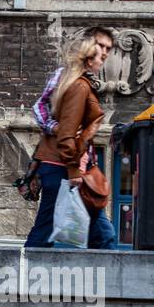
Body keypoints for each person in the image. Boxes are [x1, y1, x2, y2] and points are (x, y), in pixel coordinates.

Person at [25, 33, 117, 250]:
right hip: (64, 167)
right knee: (45, 232)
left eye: (107, 50)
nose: (105, 54)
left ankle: (107, 279)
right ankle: (26, 277)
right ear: (87, 55)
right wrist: (74, 169)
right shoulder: (77, 84)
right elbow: (67, 132)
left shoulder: (83, 82)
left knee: (101, 234)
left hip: (72, 166)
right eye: (101, 50)